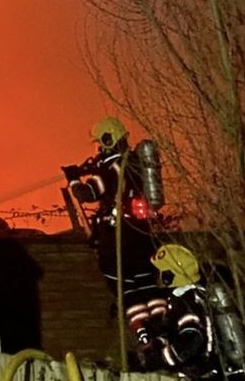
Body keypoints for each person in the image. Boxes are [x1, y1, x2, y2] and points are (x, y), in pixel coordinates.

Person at [62, 116, 167, 369]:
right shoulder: (135, 164)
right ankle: (162, 332)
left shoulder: (112, 170)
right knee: (148, 288)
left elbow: (87, 194)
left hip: (120, 242)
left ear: (108, 141)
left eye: (100, 144)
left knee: (128, 294)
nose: (99, 149)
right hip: (143, 238)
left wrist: (74, 178)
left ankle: (145, 341)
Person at [150, 244, 219, 379]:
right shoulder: (187, 297)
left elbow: (192, 339)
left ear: (169, 275)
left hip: (200, 375)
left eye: (160, 271)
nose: (157, 276)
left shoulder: (187, 301)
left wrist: (160, 358)